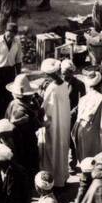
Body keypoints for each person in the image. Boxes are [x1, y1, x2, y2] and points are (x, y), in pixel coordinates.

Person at [39, 59, 72, 188]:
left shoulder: (51, 88)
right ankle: (62, 177)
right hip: (63, 123)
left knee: (52, 151)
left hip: (54, 125)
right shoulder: (64, 85)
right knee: (62, 150)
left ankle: (54, 181)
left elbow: (44, 107)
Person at [73, 71, 102, 163]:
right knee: (94, 160)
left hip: (80, 131)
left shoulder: (83, 99)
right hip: (92, 133)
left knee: (84, 160)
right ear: (100, 84)